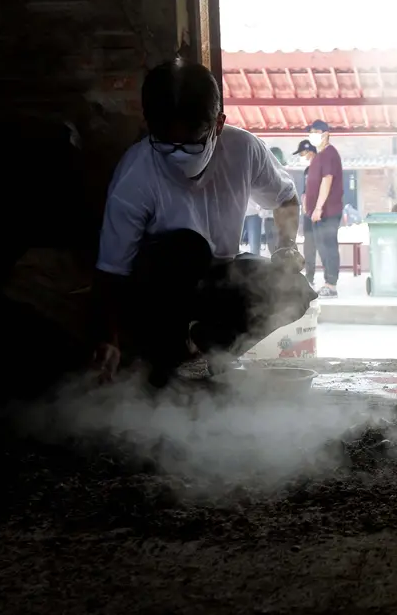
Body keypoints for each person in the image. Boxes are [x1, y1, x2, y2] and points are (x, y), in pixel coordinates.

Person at [90, 58, 314, 388]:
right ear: (149, 125)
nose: (179, 153)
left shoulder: (243, 150)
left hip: (215, 280)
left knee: (293, 290)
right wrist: (108, 340)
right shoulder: (135, 177)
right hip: (156, 296)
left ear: (219, 124)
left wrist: (285, 246)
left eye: (192, 141)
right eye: (166, 143)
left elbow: (284, 199)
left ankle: (207, 359)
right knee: (187, 247)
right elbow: (111, 272)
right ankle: (167, 357)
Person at [302, 121, 343, 298]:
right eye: (310, 132)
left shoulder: (329, 154)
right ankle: (328, 283)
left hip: (327, 211)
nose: (312, 134)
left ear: (326, 134)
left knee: (328, 247)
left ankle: (331, 284)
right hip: (317, 213)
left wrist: (318, 207)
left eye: (316, 131)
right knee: (322, 246)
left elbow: (327, 180)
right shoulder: (319, 155)